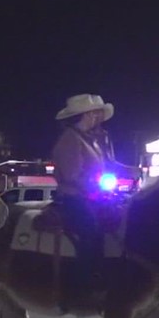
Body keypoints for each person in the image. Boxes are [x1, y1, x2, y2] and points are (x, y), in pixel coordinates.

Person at [49, 94, 117, 290]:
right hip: (74, 199)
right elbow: (72, 175)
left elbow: (107, 167)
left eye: (98, 113)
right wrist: (97, 187)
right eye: (95, 113)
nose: (98, 117)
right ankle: (81, 282)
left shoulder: (90, 140)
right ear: (85, 115)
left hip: (92, 197)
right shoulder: (69, 139)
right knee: (90, 229)